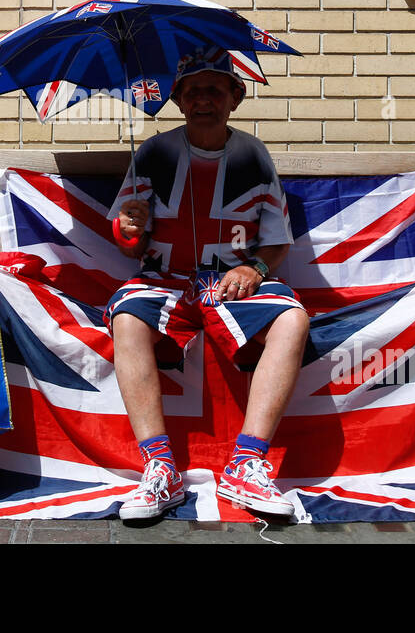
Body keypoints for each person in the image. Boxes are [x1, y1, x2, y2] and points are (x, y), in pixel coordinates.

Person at [105, 51, 310, 520]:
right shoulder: (153, 153)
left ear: (235, 98)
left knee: (292, 316)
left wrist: (253, 270)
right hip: (166, 282)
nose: (203, 100)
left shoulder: (253, 154)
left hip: (229, 287)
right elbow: (128, 246)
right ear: (177, 98)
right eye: (192, 90)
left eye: (215, 89)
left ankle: (247, 465)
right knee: (128, 314)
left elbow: (277, 241)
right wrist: (129, 229)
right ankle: (160, 471)